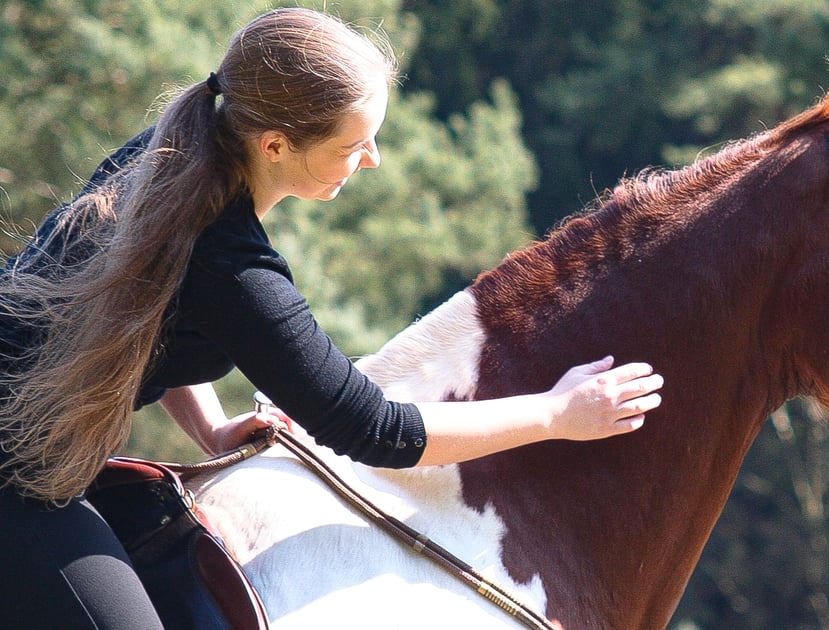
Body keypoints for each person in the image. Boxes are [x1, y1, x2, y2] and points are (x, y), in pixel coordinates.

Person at [0, 8, 663, 629]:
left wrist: (208, 428)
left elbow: (143, 315)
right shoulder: (232, 265)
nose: (370, 160)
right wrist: (557, 414)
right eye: (355, 144)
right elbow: (376, 429)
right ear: (277, 144)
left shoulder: (174, 159)